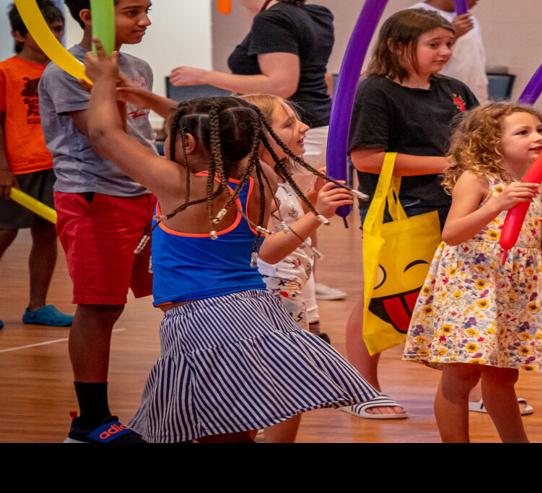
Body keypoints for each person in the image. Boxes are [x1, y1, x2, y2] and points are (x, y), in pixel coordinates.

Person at [80, 41, 379, 442]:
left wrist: (101, 81)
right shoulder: (262, 178)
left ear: (187, 144)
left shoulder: (179, 185)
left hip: (202, 321)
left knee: (207, 430)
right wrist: (143, 96)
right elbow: (221, 128)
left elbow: (103, 133)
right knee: (238, 422)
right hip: (255, 311)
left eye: (172, 136)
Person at [403, 103, 542, 443]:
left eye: (539, 130)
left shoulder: (529, 182)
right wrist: (497, 204)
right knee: (462, 376)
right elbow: (451, 233)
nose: (538, 137)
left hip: (511, 292)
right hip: (472, 286)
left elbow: (532, 251)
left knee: (503, 378)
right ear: (491, 141)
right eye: (523, 132)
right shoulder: (476, 178)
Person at [40, 0, 170, 443]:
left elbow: (139, 136)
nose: (145, 21)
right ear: (88, 14)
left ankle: (185, 403)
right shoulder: (64, 71)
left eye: (146, 10)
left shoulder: (140, 66)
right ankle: (89, 421)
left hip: (144, 196)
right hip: (95, 199)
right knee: (100, 307)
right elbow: (106, 137)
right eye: (132, 11)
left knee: (176, 297)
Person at [345, 7, 478, 420]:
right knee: (380, 299)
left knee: (465, 298)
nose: (444, 52)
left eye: (449, 44)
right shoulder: (376, 92)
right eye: (434, 44)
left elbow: (479, 140)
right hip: (402, 210)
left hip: (458, 208)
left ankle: (472, 389)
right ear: (400, 46)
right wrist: (447, 165)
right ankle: (361, 388)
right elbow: (366, 158)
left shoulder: (454, 89)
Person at [171, 0, 348, 301]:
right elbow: (323, 79)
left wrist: (204, 76)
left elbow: (281, 83)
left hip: (285, 130)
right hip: (315, 124)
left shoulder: (275, 19)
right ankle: (305, 289)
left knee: (278, 217)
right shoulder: (315, 13)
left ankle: (294, 290)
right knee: (292, 212)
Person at [238, 92, 356, 441]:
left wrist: (313, 199)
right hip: (268, 298)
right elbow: (268, 253)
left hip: (287, 295)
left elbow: (289, 235)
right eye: (289, 123)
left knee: (287, 386)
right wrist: (319, 212)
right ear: (258, 136)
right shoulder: (255, 182)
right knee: (286, 387)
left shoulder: (278, 174)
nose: (304, 127)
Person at [0, 1, 70, 329]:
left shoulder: (63, 69)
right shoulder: (6, 72)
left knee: (46, 234)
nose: (52, 36)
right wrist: (3, 167)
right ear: (18, 34)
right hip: (17, 167)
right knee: (5, 232)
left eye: (57, 29)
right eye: (42, 31)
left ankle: (37, 307)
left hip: (55, 166)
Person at [407, 0, 488, 105]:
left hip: (473, 96)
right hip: (439, 97)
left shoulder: (469, 19)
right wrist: (454, 33)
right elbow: (412, 60)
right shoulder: (415, 16)